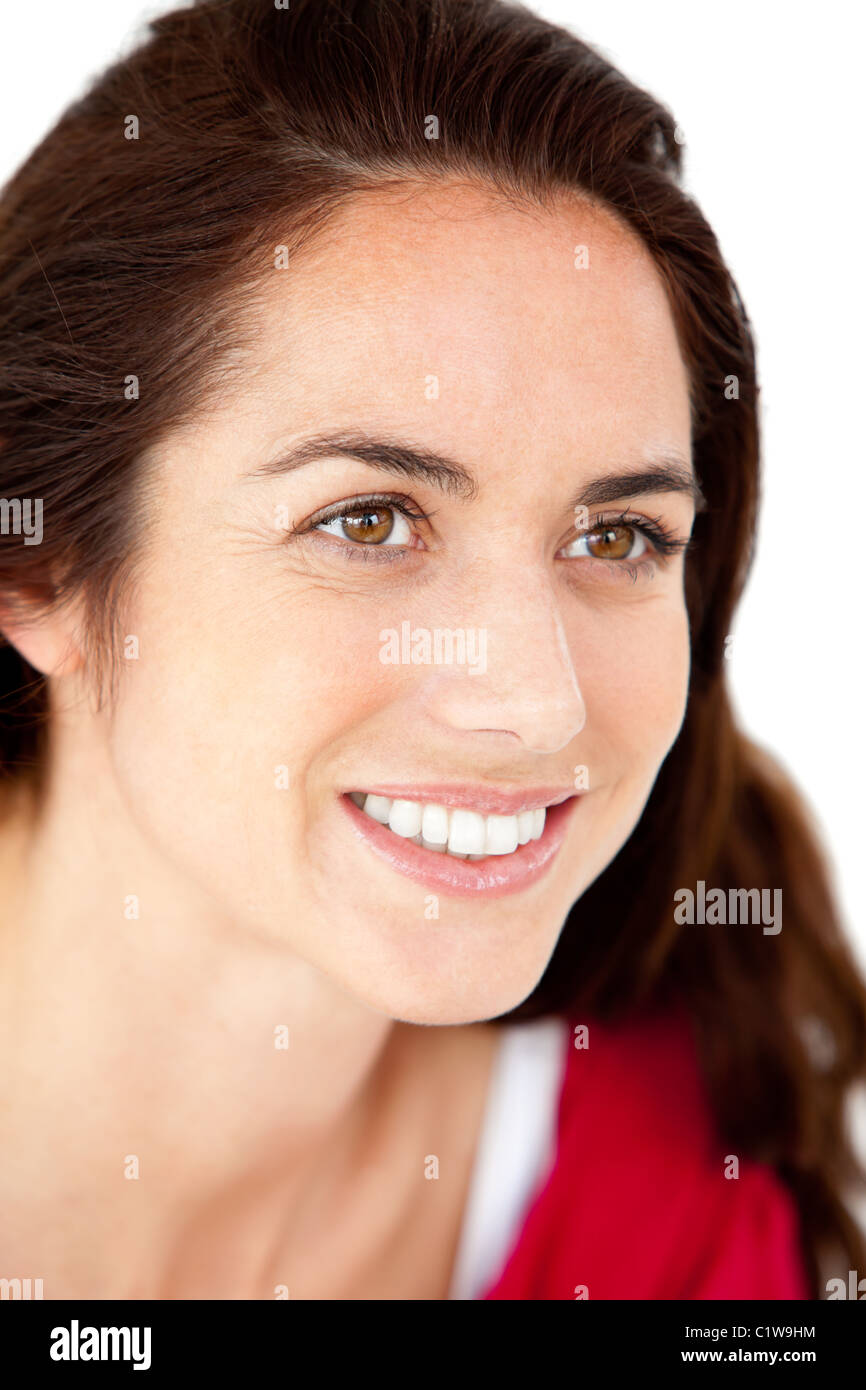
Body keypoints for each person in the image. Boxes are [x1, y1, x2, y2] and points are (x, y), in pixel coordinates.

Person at [0, 0, 863, 1300]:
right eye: (369, 519)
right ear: (41, 564)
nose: (531, 700)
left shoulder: (675, 1179)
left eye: (618, 536)